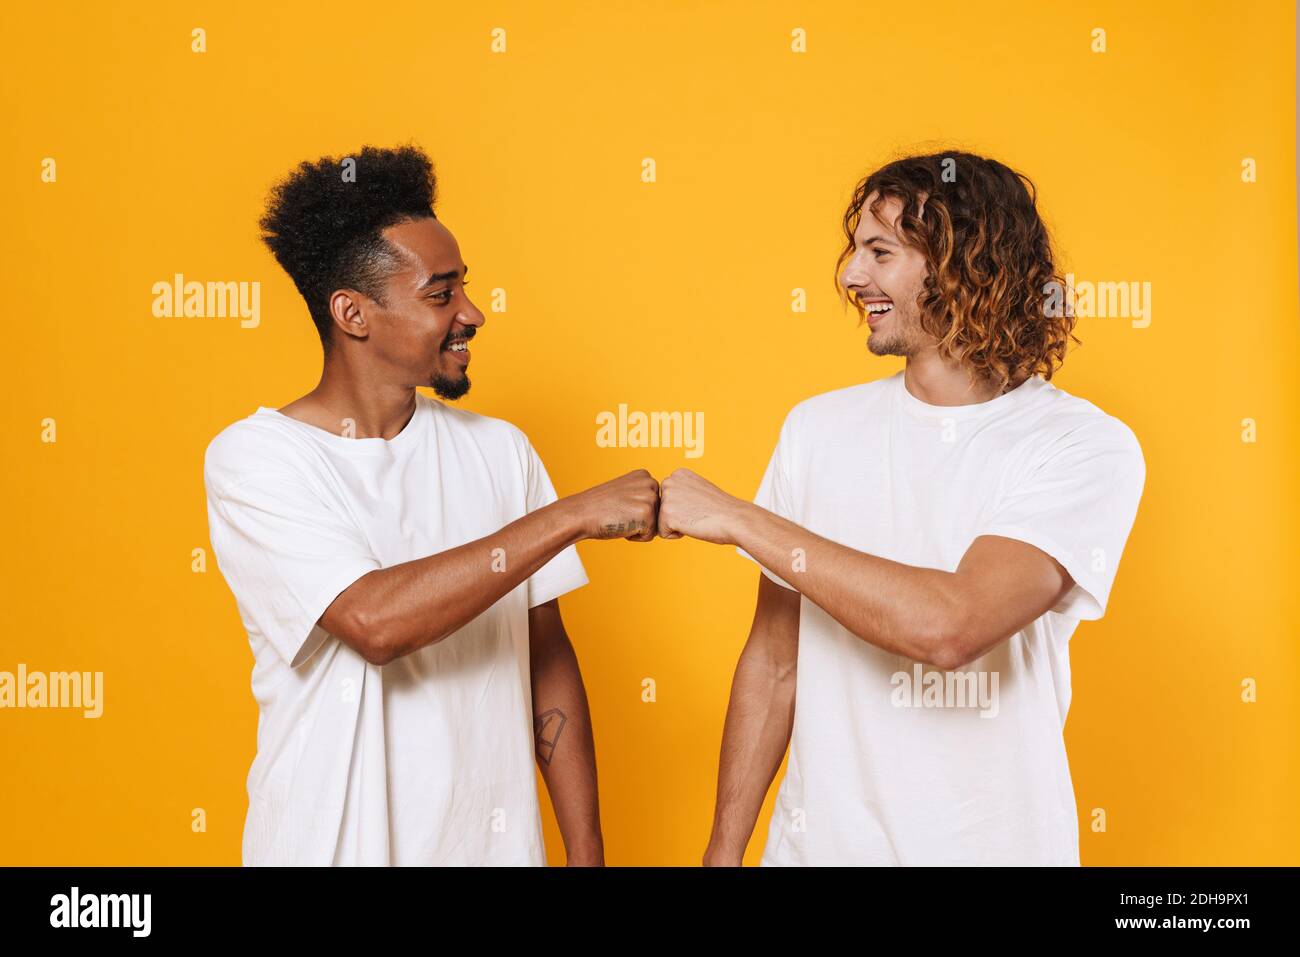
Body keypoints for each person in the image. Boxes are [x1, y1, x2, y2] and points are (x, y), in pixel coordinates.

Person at [656, 152, 1147, 866]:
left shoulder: (1081, 445)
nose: (853, 277)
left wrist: (741, 518)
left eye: (880, 252)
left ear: (963, 264)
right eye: (856, 250)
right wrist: (723, 852)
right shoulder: (817, 430)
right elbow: (774, 660)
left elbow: (951, 627)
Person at [203, 145, 658, 866]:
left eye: (464, 288)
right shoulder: (257, 459)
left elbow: (547, 656)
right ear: (353, 314)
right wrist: (570, 515)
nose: (472, 313)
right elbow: (375, 621)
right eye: (441, 294)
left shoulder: (500, 450)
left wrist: (587, 852)